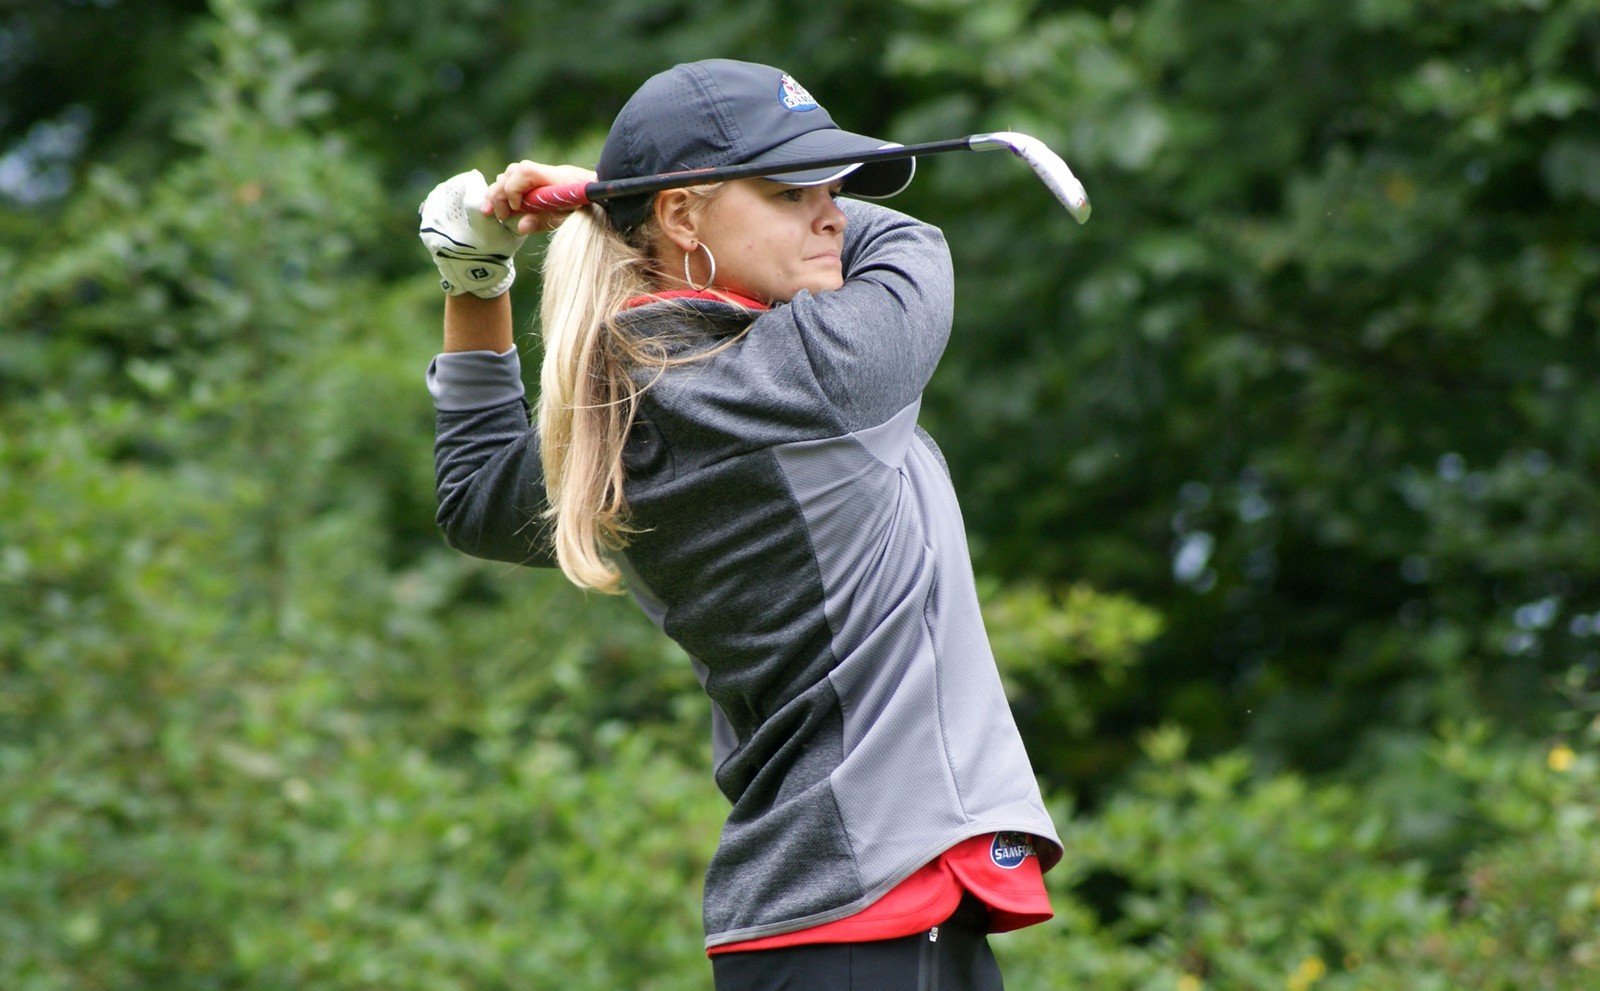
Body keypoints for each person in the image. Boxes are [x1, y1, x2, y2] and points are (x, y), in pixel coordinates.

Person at [418, 58, 1062, 990]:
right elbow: (916, 245)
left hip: (814, 932)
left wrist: (479, 275)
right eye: (793, 189)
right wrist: (618, 199)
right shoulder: (822, 368)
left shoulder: (609, 414)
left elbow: (475, 490)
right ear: (683, 218)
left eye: (831, 189)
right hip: (871, 925)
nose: (831, 212)